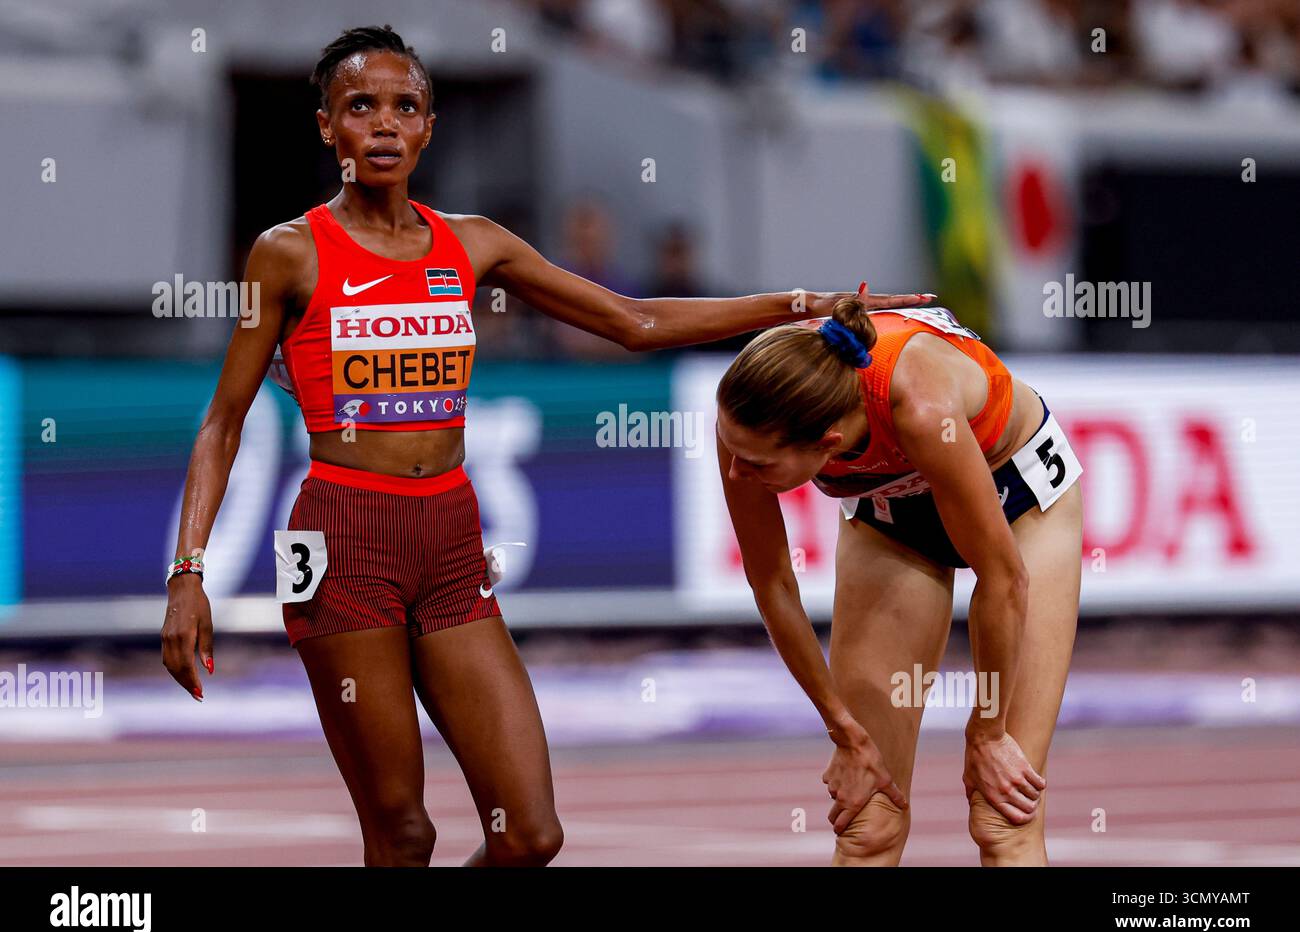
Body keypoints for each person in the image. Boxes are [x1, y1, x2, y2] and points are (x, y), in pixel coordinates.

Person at [159, 24, 932, 867]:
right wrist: (188, 574)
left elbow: (632, 321)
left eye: (404, 106)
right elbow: (222, 421)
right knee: (403, 833)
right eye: (360, 107)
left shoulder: (473, 242)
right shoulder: (287, 254)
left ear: (428, 128)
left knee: (529, 835)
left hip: (449, 539)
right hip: (344, 541)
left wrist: (801, 303)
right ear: (326, 128)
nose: (383, 124)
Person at [714, 289, 1082, 866]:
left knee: (1003, 813)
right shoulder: (752, 408)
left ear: (828, 446)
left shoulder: (921, 407)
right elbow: (772, 585)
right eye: (732, 451)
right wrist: (845, 732)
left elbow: (1003, 578)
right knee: (869, 821)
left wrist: (986, 732)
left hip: (1019, 507)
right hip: (892, 521)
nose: (736, 472)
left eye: (756, 464)